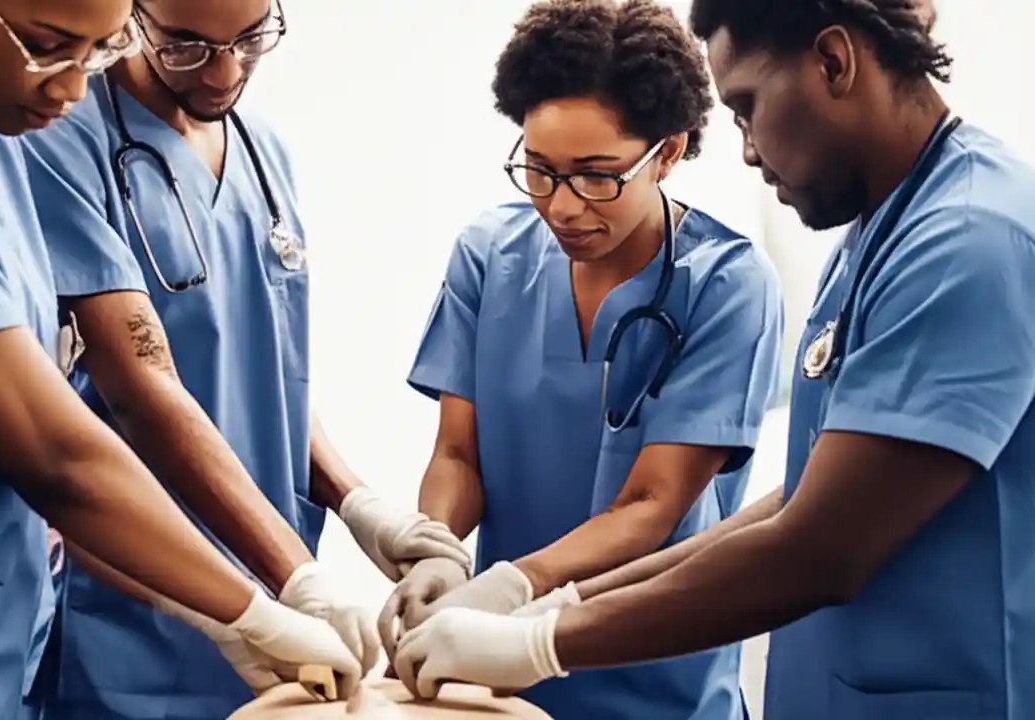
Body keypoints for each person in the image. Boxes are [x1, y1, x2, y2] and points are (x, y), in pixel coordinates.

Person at [393, 2, 1035, 719]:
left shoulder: (968, 242)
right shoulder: (880, 236)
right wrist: (533, 598)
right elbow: (799, 500)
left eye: (746, 107)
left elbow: (817, 550)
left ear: (833, 62)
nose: (749, 151)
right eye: (541, 171)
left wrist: (541, 640)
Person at [0, 1, 370, 718]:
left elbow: (27, 478)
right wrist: (252, 610)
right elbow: (50, 451)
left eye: (101, 51)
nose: (73, 88)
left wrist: (218, 607)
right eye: (48, 46)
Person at [19, 0, 472, 717]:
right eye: (188, 45)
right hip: (147, 597)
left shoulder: (265, 152)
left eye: (250, 39)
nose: (225, 71)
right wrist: (297, 579)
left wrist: (361, 506)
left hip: (279, 596)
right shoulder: (63, 140)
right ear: (132, 16)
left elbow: (268, 375)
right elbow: (142, 383)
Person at [379, 0, 784, 717]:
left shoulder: (726, 285)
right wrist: (438, 551)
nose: (561, 206)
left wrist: (512, 587)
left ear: (665, 153)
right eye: (539, 170)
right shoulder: (489, 255)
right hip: (497, 678)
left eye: (597, 175)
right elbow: (458, 455)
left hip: (657, 670)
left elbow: (652, 502)